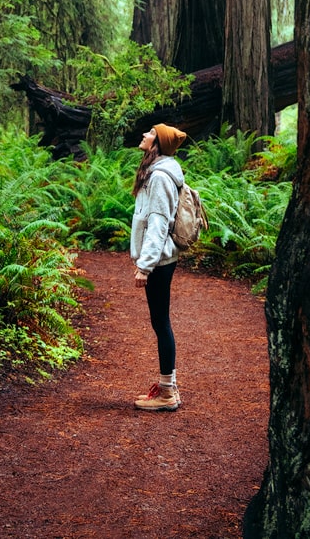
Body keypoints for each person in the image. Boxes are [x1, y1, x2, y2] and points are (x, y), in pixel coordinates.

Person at [130, 122, 188, 411]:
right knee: (159, 321)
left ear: (159, 143)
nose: (144, 135)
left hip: (160, 260)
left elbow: (158, 224)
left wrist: (145, 266)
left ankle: (167, 392)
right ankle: (168, 388)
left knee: (161, 322)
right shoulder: (156, 171)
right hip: (160, 259)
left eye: (151, 133)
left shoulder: (161, 177)